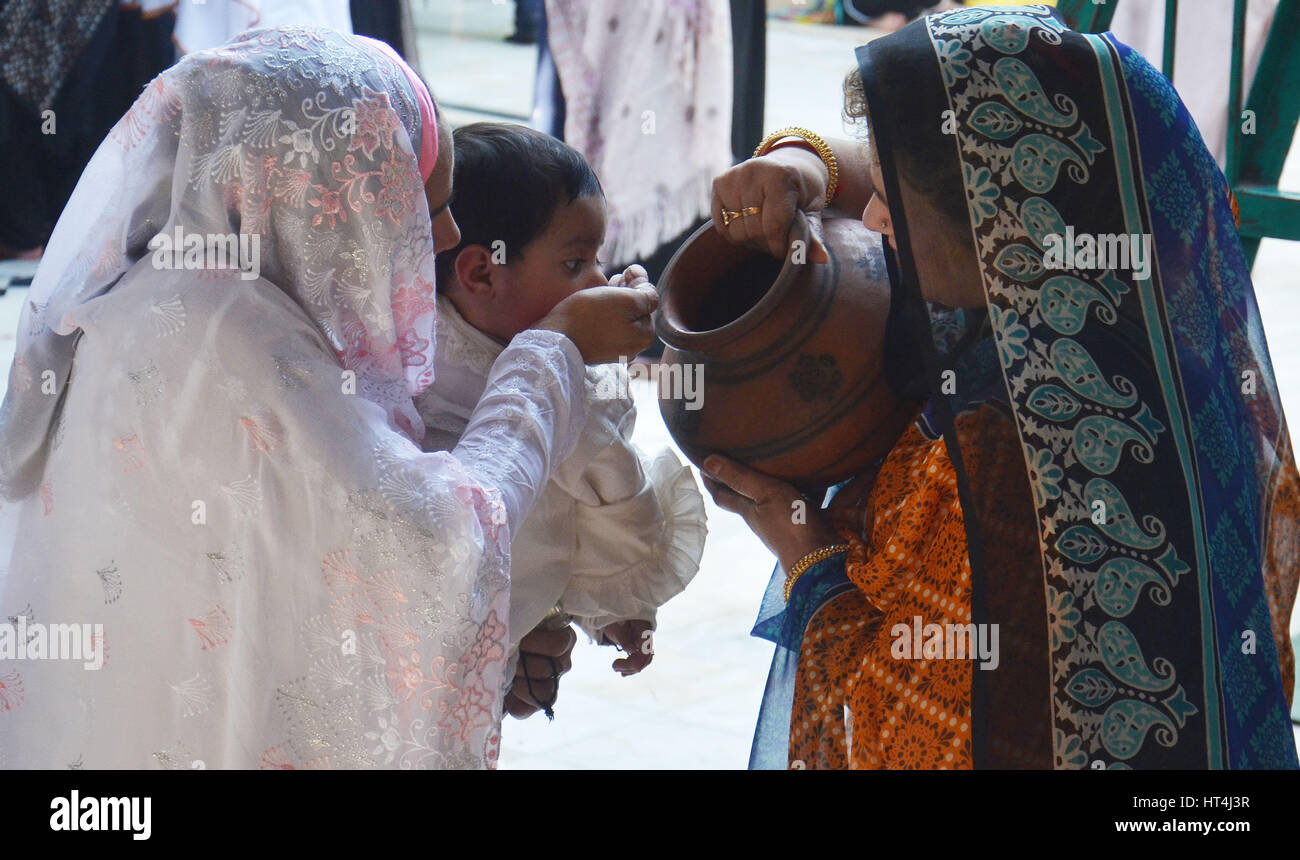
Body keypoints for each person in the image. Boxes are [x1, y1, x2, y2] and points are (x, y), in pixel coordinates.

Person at [0, 25, 658, 769]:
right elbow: (434, 547)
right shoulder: (231, 334)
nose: (443, 237)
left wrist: (498, 642)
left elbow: (297, 569)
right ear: (330, 198)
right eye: (421, 206)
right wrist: (555, 352)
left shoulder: (187, 296)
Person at [706, 4, 1299, 769]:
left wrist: (808, 557)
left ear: (1000, 228)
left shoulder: (986, 456)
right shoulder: (1196, 373)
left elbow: (908, 734)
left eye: (893, 198)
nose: (875, 217)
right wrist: (805, 159)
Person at [418, 122, 708, 682]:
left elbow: (574, 519)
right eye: (575, 264)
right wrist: (622, 605)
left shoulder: (432, 340)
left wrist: (606, 613)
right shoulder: (443, 388)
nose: (599, 279)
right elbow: (616, 495)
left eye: (599, 258)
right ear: (481, 271)